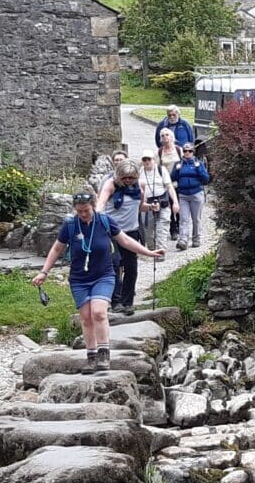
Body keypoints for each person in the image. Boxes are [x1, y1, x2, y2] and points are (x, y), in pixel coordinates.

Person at [30, 190, 163, 368]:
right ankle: (91, 356)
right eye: (79, 211)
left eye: (86, 210)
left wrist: (149, 252)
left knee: (99, 313)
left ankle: (104, 354)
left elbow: (125, 240)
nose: (83, 214)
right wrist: (44, 272)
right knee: (86, 317)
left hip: (103, 275)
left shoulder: (104, 221)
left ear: (93, 206)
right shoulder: (70, 225)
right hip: (79, 279)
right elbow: (56, 249)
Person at [100, 164, 145, 313]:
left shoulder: (140, 186)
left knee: (131, 268)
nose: (128, 180)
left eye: (131, 178)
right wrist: (97, 215)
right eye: (124, 178)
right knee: (114, 266)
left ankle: (128, 303)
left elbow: (141, 206)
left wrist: (152, 207)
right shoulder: (111, 184)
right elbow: (101, 203)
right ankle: (116, 302)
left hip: (131, 232)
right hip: (112, 233)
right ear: (118, 177)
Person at [171, 143, 210, 250]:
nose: (187, 153)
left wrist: (199, 169)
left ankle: (196, 239)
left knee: (196, 219)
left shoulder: (199, 163)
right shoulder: (179, 164)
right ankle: (183, 240)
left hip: (196, 194)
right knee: (183, 219)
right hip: (183, 195)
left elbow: (206, 179)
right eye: (185, 151)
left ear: (193, 152)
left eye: (190, 151)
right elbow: (173, 178)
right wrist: (176, 170)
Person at [137, 154, 176, 252]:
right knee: (148, 232)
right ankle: (152, 249)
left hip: (162, 203)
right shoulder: (140, 172)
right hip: (147, 205)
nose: (147, 161)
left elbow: (169, 187)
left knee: (161, 230)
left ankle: (160, 253)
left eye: (149, 159)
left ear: (154, 160)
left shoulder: (161, 170)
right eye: (144, 159)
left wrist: (175, 202)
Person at [156, 128, 184, 243]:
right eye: (162, 135)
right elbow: (157, 168)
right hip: (166, 184)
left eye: (167, 135)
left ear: (172, 137)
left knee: (179, 205)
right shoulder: (159, 152)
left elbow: (184, 163)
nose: (165, 137)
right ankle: (173, 229)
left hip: (178, 183)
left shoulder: (179, 150)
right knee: (169, 206)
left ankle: (180, 226)